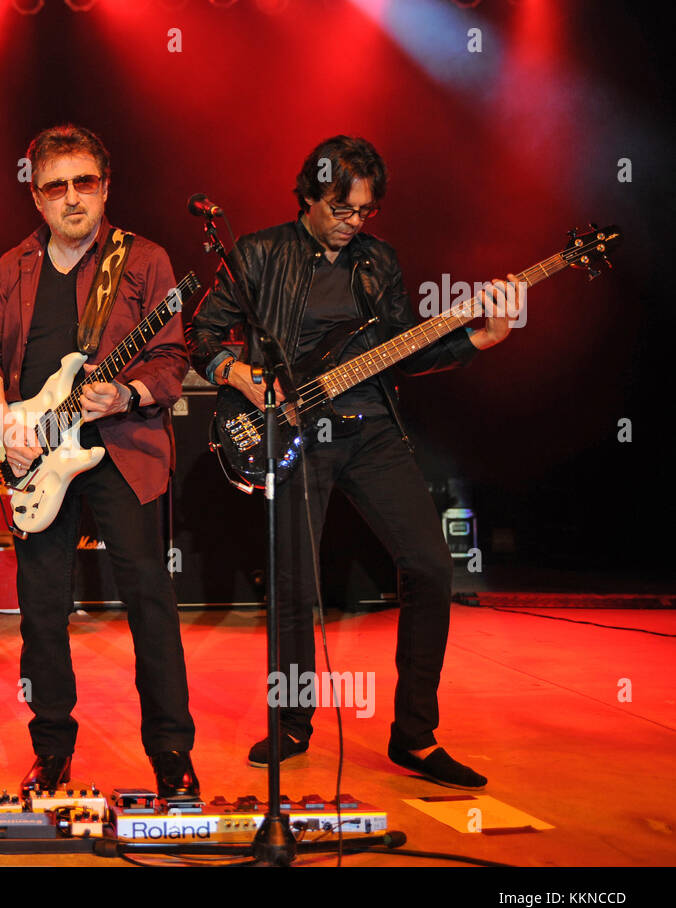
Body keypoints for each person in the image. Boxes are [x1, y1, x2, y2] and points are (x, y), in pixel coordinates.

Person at [186, 135, 523, 790]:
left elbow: (402, 351)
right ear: (309, 194)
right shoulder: (258, 253)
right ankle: (291, 722)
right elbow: (200, 337)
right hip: (293, 430)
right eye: (342, 209)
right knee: (293, 582)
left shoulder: (379, 263)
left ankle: (415, 736)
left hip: (369, 428)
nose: (353, 222)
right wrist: (245, 375)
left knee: (429, 565)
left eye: (365, 211)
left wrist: (479, 337)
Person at [0, 125, 199, 798]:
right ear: (36, 197)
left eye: (84, 183)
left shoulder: (146, 259)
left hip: (124, 451)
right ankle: (52, 750)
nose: (71, 198)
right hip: (38, 458)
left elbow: (173, 358)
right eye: (56, 186)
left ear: (105, 187)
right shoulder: (13, 267)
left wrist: (124, 390)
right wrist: (3, 415)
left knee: (150, 603)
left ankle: (172, 757)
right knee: (41, 611)